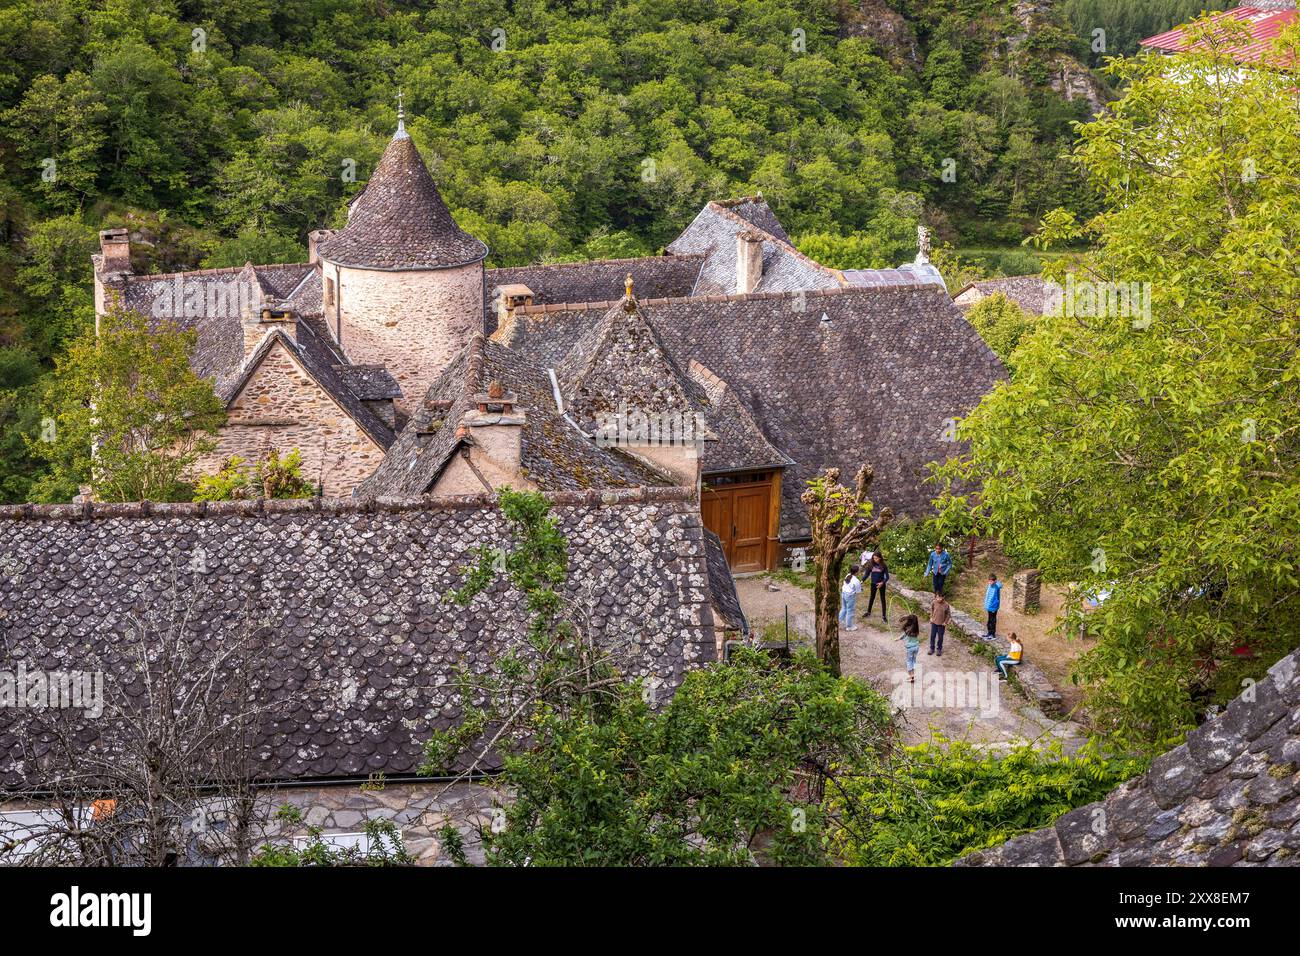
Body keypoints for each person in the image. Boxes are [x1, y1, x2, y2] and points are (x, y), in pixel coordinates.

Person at [864, 552, 890, 624]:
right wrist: (862, 580)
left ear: (880, 558)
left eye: (876, 558)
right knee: (872, 597)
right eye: (874, 558)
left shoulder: (883, 565)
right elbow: (866, 574)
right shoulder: (871, 565)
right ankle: (868, 612)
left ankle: (884, 616)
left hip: (881, 584)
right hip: (873, 584)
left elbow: (887, 577)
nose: (875, 559)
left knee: (883, 599)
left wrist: (882, 583)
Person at [898, 613, 920, 682]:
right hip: (916, 647)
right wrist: (907, 617)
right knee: (913, 660)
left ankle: (911, 675)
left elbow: (904, 634)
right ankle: (913, 675)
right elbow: (914, 617)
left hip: (910, 648)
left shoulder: (908, 629)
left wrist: (898, 638)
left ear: (909, 621)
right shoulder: (916, 628)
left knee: (909, 661)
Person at [839, 565, 862, 631]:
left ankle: (839, 621)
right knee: (850, 611)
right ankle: (849, 626)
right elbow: (858, 591)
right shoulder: (856, 581)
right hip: (850, 596)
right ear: (857, 572)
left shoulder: (848, 575)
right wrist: (860, 586)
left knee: (844, 608)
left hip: (843, 593)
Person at [984, 573, 1003, 638]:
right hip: (989, 606)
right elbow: (988, 596)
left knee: (993, 621)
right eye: (989, 581)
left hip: (994, 607)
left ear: (995, 581)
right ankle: (989, 633)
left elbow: (1000, 585)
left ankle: (993, 634)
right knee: (989, 620)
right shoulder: (989, 586)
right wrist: (986, 605)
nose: (990, 582)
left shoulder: (997, 586)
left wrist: (996, 582)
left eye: (991, 581)